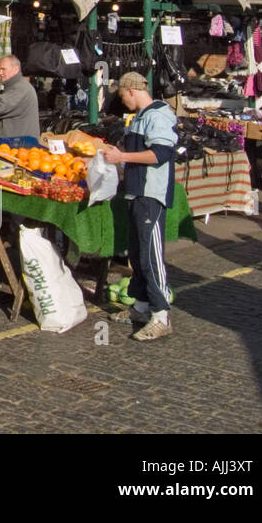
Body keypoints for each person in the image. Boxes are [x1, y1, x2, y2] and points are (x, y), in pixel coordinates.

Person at [101, 72, 179, 342]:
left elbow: (160, 153)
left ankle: (161, 316)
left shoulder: (159, 115)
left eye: (122, 95)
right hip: (136, 194)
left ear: (131, 91)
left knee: (150, 257)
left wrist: (122, 156)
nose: (122, 101)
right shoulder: (141, 117)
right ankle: (142, 306)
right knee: (137, 254)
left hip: (150, 196)